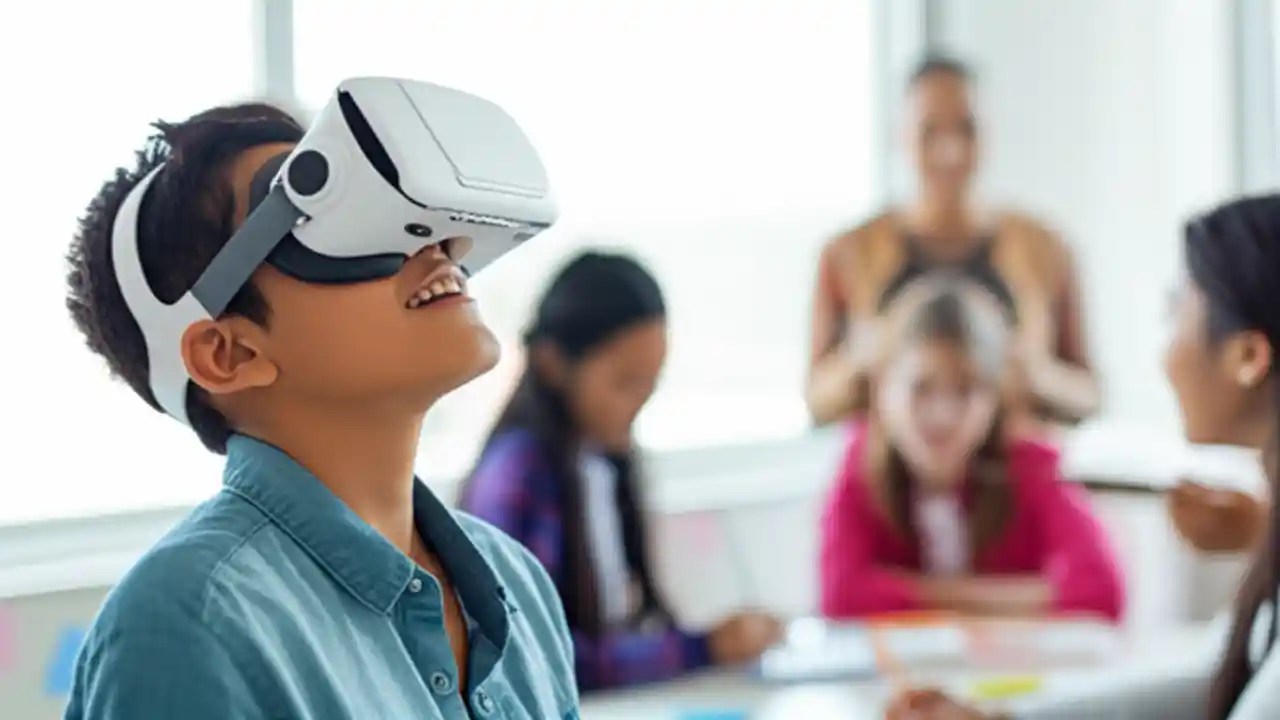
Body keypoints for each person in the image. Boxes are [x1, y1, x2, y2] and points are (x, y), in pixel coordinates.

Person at [62, 103, 578, 718]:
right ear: (230, 353)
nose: (429, 238)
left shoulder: (517, 583)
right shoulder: (190, 623)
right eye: (330, 219)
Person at [885, 195, 1280, 719]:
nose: (1163, 356)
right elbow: (1217, 681)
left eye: (1174, 311)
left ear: (1248, 356)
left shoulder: (1036, 464)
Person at [459, 251, 783, 691]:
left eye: (651, 384)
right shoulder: (517, 474)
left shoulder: (597, 462)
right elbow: (531, 656)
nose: (640, 404)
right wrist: (701, 649)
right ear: (554, 364)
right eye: (625, 383)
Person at [807, 56, 1098, 430]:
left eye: (966, 130)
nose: (950, 152)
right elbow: (815, 399)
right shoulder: (847, 253)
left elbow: (1089, 394)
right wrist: (862, 358)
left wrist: (1037, 374)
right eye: (929, 131)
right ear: (900, 136)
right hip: (889, 465)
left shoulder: (1046, 249)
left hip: (1011, 460)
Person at [820, 275, 1123, 621]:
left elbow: (1101, 593)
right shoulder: (860, 463)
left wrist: (910, 592)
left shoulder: (1032, 464)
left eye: (965, 390)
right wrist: (1026, 598)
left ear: (995, 398)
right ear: (882, 387)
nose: (943, 415)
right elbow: (840, 597)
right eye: (921, 388)